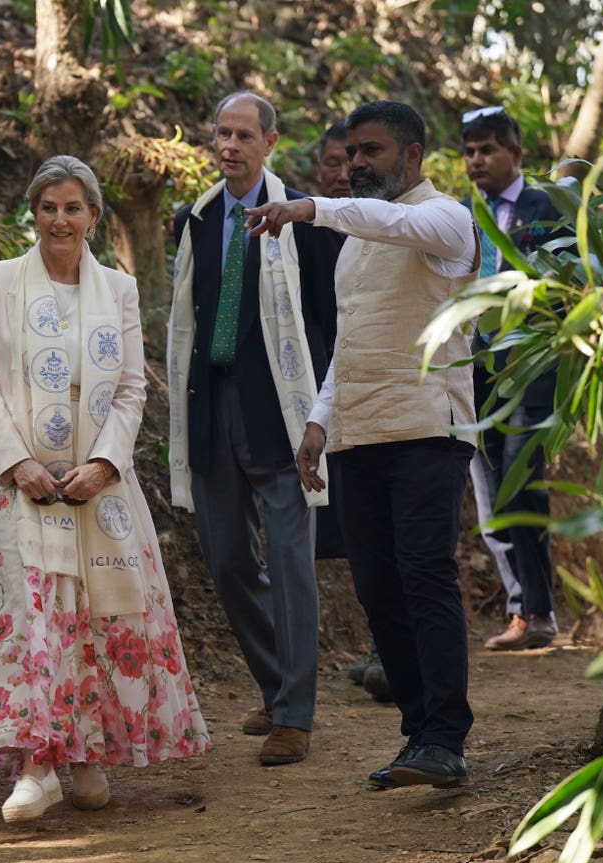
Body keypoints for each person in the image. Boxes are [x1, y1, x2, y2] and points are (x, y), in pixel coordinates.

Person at [0, 155, 211, 823]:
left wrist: (105, 463)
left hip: (97, 484)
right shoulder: (0, 283)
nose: (60, 219)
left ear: (94, 216)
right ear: (33, 215)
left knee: (97, 616)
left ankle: (85, 753)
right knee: (36, 614)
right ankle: (36, 767)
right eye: (48, 207)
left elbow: (131, 387)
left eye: (73, 207)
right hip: (26, 484)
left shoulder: (118, 292)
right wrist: (17, 463)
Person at [247, 100, 480, 789]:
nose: (356, 166)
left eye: (371, 152)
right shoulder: (355, 244)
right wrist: (320, 420)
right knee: (380, 593)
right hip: (358, 435)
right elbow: (350, 345)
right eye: (351, 154)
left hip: (427, 431)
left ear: (412, 155)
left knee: (426, 579)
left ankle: (446, 737)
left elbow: (396, 222)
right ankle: (420, 738)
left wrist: (311, 207)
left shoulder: (446, 219)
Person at [167, 92, 340, 766]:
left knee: (293, 562)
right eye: (222, 134)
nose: (229, 146)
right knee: (229, 560)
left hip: (283, 415)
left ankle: (294, 715)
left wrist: (321, 414)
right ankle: (275, 685)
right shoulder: (198, 220)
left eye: (244, 135)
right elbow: (188, 318)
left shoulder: (305, 220)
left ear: (270, 142)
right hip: (213, 411)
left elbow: (327, 324)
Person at [460, 105, 563, 651]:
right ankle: (522, 606)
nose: (477, 160)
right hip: (472, 370)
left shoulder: (547, 208)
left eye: (488, 149)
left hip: (530, 367)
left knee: (523, 481)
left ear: (516, 154)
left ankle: (539, 612)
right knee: (490, 491)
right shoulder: (460, 213)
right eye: (470, 151)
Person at [314, 121, 391, 701]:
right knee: (352, 537)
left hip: (385, 400)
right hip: (321, 395)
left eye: (356, 161)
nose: (345, 174)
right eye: (335, 163)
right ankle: (382, 642)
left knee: (395, 532)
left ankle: (388, 649)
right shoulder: (305, 229)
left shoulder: (395, 227)